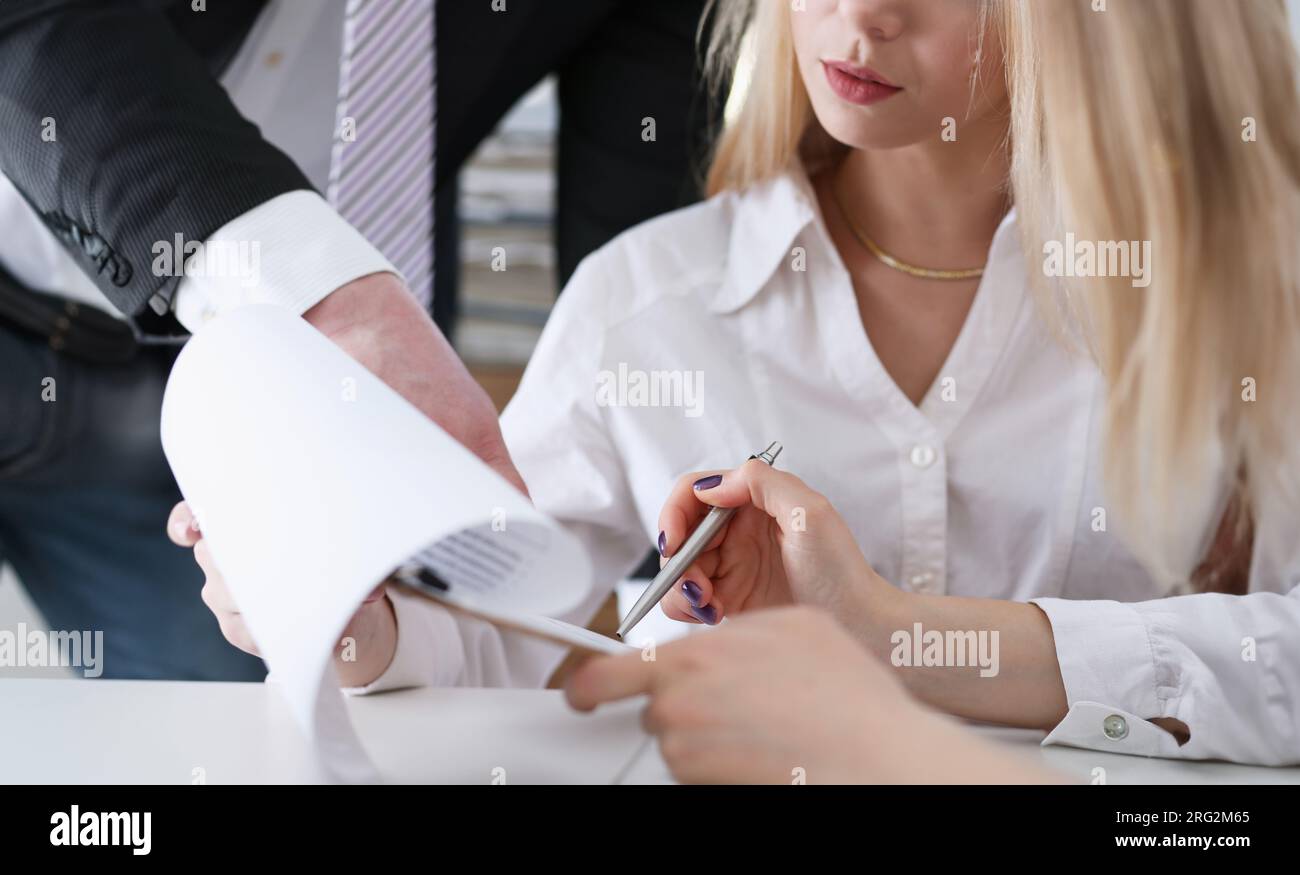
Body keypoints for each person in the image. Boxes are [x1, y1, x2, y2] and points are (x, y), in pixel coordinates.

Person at [187, 0, 1299, 770]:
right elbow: (499, 628)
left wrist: (899, 634)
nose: (860, 19)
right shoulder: (645, 299)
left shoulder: (1245, 293)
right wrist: (356, 615)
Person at [0, 0, 717, 679]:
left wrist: (678, 568)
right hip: (79, 305)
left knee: (228, 733)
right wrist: (329, 300)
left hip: (277, 406)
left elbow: (639, 275)